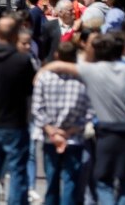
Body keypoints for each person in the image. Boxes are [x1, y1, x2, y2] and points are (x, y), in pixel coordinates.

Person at [42, 31, 125, 205]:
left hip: (106, 131)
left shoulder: (91, 70)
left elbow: (61, 66)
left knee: (104, 180)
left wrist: (42, 71)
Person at [0, 14, 36, 205]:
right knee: (17, 173)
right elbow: (31, 92)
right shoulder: (22, 62)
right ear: (15, 35)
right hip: (16, 124)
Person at [31, 40, 90, 205]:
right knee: (70, 180)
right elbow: (89, 111)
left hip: (50, 137)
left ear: (57, 56)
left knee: (52, 180)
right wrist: (69, 131)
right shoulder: (83, 80)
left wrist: (51, 130)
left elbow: (37, 108)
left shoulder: (45, 78)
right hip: (74, 137)